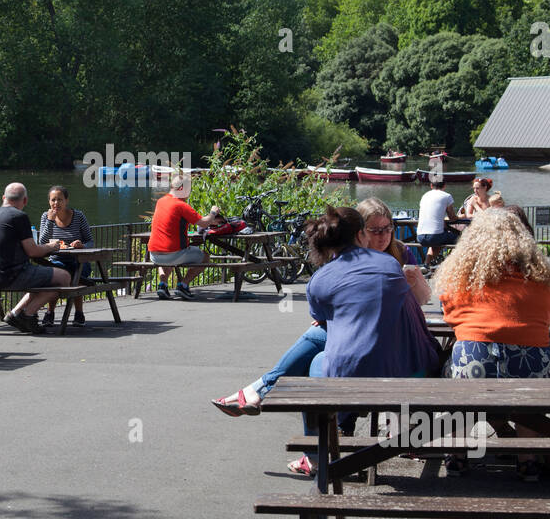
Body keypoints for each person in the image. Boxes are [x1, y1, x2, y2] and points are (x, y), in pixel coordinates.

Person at [210, 200, 433, 421]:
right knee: (324, 348)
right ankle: (269, 394)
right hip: (406, 355)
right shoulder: (386, 264)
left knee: (319, 355)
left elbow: (324, 316)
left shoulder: (380, 261)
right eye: (374, 230)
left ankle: (271, 398)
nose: (383, 236)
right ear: (360, 233)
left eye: (387, 229)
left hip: (393, 355)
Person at [434, 208, 550, 481]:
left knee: (457, 380)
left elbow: (450, 318)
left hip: (474, 365)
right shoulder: (541, 284)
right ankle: (527, 458)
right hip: (532, 369)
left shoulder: (461, 284)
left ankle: (456, 455)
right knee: (528, 391)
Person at [0, 183, 71, 334]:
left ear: (3, 198)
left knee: (49, 279)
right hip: (15, 274)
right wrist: (52, 247)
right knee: (64, 278)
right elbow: (33, 251)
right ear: (25, 201)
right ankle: (28, 314)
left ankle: (15, 314)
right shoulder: (19, 216)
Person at [147, 173, 224, 300]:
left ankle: (163, 285)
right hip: (173, 254)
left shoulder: (160, 202)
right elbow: (204, 223)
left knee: (166, 255)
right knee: (205, 257)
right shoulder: (181, 205)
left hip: (154, 256)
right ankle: (183, 285)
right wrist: (213, 213)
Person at [38, 186, 94, 327]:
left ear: (66, 201)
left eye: (60, 200)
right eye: (53, 200)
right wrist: (50, 222)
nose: (56, 203)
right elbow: (42, 243)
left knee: (77, 275)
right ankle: (50, 313)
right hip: (57, 259)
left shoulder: (78, 216)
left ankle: (79, 313)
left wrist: (82, 245)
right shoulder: (46, 216)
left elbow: (90, 241)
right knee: (56, 276)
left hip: (79, 260)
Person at [416, 178, 459, 263]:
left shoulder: (425, 195)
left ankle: (426, 265)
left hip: (420, 236)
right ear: (444, 186)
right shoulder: (446, 196)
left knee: (436, 243)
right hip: (435, 237)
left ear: (431, 185)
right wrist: (461, 217)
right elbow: (452, 217)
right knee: (461, 239)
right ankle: (451, 265)